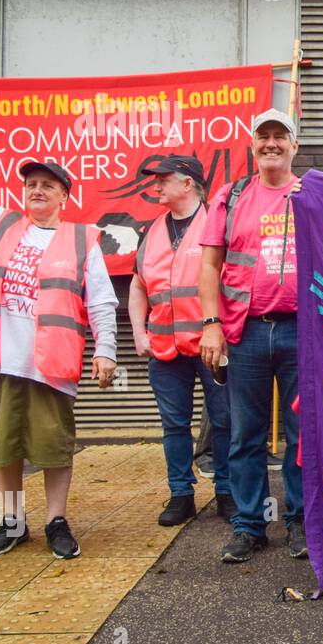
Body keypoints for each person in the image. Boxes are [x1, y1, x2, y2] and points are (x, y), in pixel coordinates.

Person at [0, 92, 117, 560]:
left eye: (48, 185)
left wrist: (107, 350)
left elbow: (103, 300)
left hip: (50, 364)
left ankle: (56, 520)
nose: (37, 190)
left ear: (64, 197)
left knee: (54, 446)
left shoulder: (81, 239)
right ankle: (12, 522)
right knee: (4, 446)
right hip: (1, 358)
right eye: (31, 183)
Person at [199, 108, 306, 564]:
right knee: (246, 434)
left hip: (302, 331)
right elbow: (209, 264)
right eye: (263, 136)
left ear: (294, 146)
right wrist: (211, 325)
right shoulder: (232, 195)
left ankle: (302, 521)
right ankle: (249, 525)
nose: (271, 144)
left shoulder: (311, 193)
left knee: (303, 435)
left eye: (280, 136)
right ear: (252, 145)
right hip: (244, 331)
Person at [129, 155, 233, 526]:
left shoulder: (216, 224)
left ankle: (226, 492)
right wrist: (139, 332)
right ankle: (181, 495)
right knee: (174, 425)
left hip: (212, 346)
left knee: (223, 421)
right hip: (165, 351)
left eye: (163, 179)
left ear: (188, 184)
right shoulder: (152, 231)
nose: (155, 186)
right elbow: (138, 285)